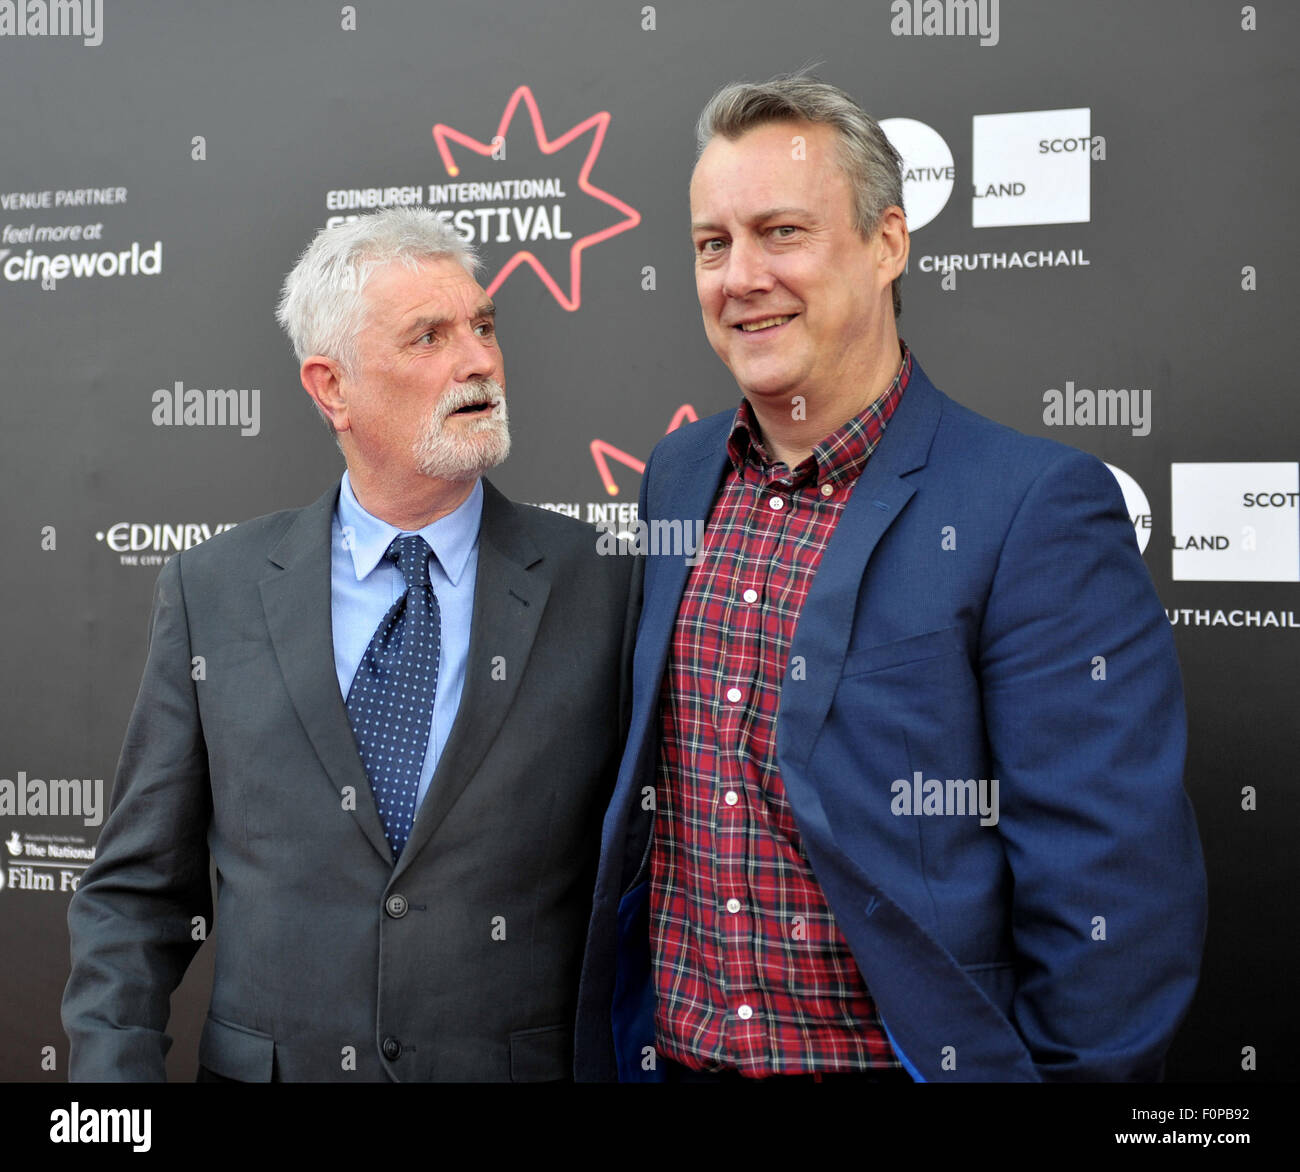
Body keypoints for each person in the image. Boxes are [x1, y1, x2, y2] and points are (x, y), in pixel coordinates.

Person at [574, 76, 1206, 1083]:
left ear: (887, 244)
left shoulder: (1032, 506)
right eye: (711, 243)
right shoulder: (679, 477)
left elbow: (1113, 896)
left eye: (781, 231)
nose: (740, 277)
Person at [63, 208, 636, 1082]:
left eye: (483, 326)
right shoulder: (212, 591)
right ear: (331, 387)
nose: (479, 359)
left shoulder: (605, 586)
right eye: (429, 337)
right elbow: (137, 896)